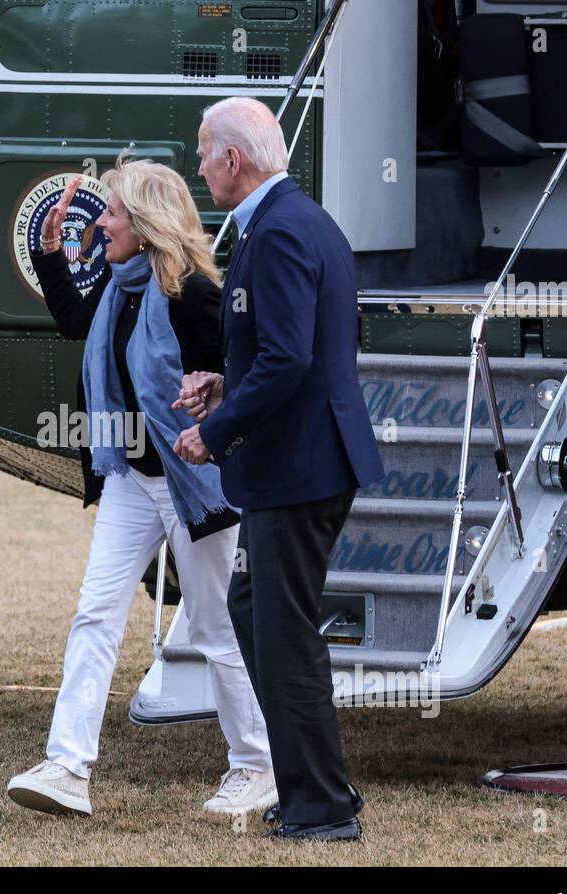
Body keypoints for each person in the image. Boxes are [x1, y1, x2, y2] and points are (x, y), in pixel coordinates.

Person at [5, 159, 274, 818]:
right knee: (95, 613)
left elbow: (248, 373)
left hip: (195, 484)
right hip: (131, 479)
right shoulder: (122, 287)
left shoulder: (194, 296)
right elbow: (74, 321)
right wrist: (48, 256)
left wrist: (212, 408)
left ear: (148, 224)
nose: (102, 222)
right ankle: (68, 767)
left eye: (115, 213)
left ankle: (259, 764)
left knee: (215, 631)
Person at [174, 97, 385, 841]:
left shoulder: (281, 230)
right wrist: (225, 385)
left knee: (284, 631)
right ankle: (314, 785)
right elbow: (295, 352)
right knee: (255, 614)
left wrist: (216, 429)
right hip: (298, 457)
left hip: (299, 466)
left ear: (234, 159)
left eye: (204, 153)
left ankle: (321, 808)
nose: (199, 166)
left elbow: (291, 358)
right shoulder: (292, 220)